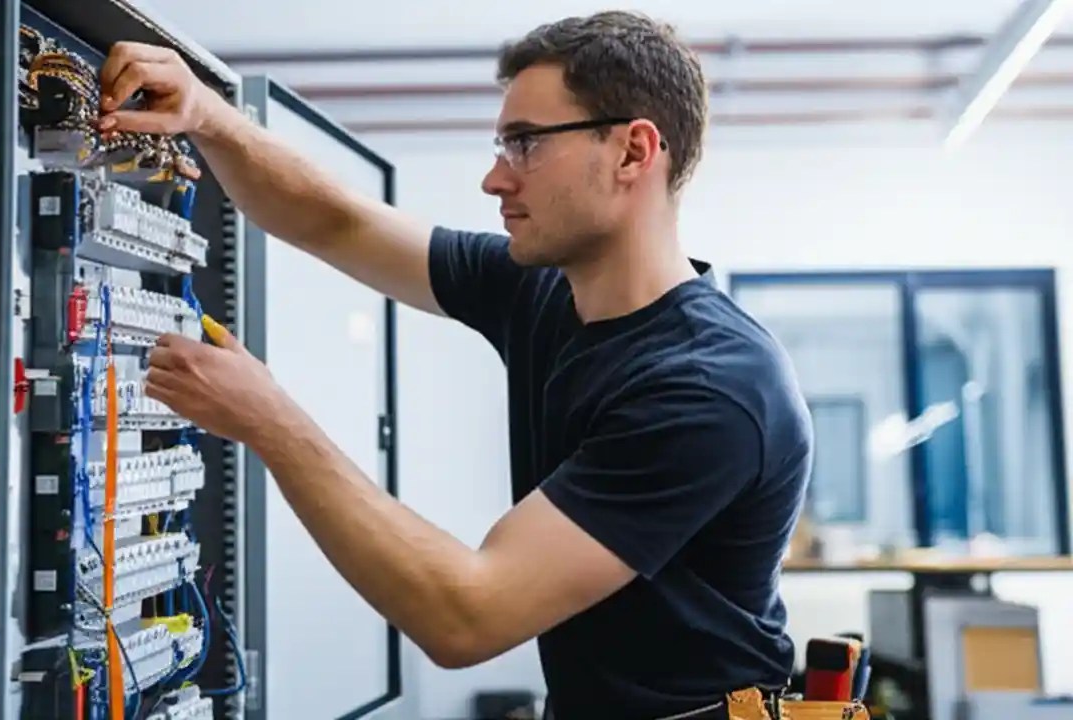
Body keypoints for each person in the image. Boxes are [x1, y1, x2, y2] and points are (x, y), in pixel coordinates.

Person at [97, 10, 812, 719]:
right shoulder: (541, 288)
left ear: (632, 153)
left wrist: (269, 421)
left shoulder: (707, 387)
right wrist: (210, 118)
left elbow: (466, 615)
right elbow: (336, 221)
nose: (494, 179)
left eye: (526, 144)